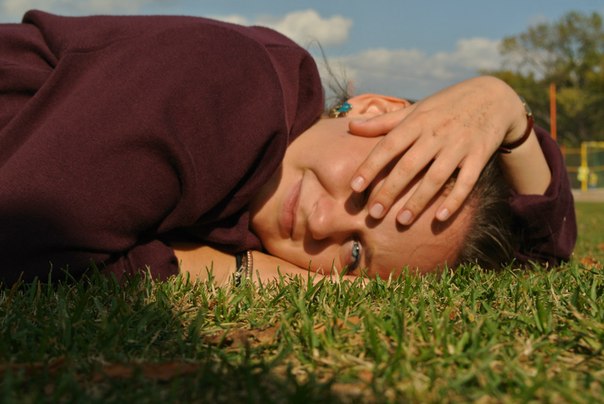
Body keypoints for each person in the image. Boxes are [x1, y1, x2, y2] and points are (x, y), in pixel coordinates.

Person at [0, 11, 576, 286]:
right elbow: (20, 239)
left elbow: (543, 254)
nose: (323, 225)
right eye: (368, 188)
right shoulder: (230, 89)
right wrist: (234, 271)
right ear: (371, 111)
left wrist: (511, 122)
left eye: (355, 255)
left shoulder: (255, 190)